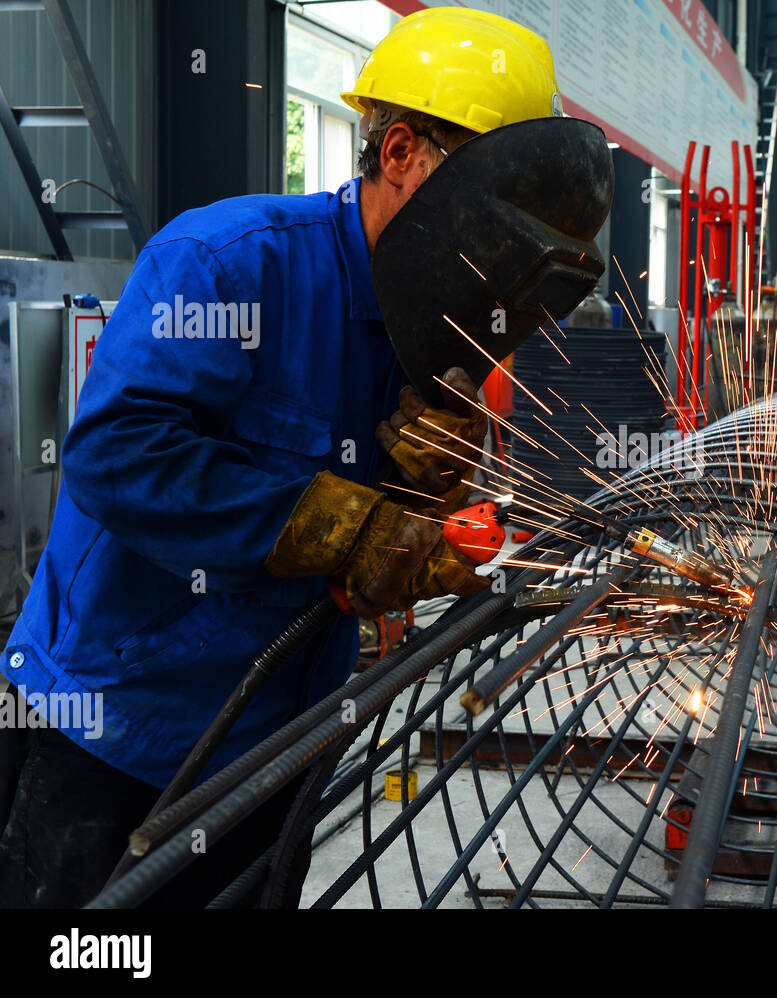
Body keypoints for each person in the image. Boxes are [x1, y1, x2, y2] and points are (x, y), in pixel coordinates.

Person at [0, 7, 565, 908]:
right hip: (115, 731)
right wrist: (342, 527)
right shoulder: (228, 264)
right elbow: (116, 457)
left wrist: (414, 499)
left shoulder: (436, 321)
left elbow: (383, 529)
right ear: (401, 152)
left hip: (280, 739)